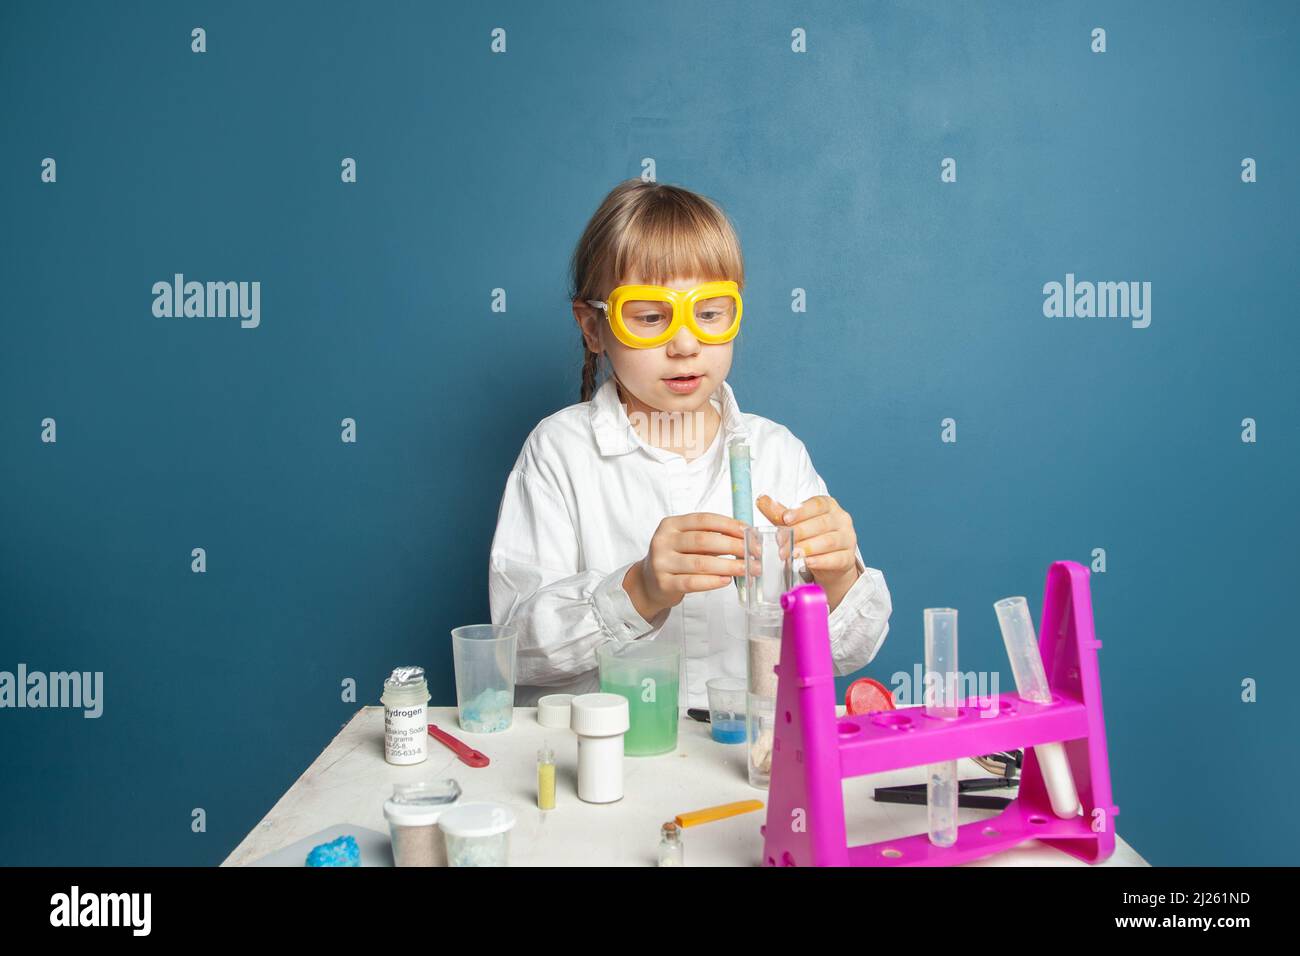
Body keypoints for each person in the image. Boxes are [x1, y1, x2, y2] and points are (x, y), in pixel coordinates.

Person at [488, 179, 892, 709]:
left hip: (745, 756)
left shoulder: (777, 453)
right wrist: (640, 589)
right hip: (607, 761)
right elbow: (511, 653)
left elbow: (849, 652)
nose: (685, 344)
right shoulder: (559, 451)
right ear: (593, 327)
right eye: (651, 317)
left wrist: (838, 576)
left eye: (708, 313)